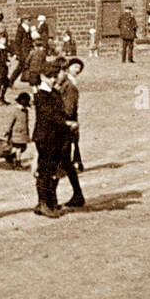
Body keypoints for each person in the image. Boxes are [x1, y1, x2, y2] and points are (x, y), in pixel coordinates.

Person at [31, 60, 68, 217]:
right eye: (49, 76)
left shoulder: (54, 93)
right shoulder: (40, 95)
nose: (53, 79)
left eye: (55, 76)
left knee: (53, 170)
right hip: (45, 137)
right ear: (42, 77)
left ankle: (51, 202)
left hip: (55, 137)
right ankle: (43, 203)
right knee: (45, 171)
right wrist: (66, 122)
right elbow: (49, 116)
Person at [56, 58, 85, 208]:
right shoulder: (63, 84)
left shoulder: (69, 87)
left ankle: (49, 201)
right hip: (64, 127)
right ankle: (77, 194)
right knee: (65, 163)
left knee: (59, 163)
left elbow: (69, 110)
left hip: (64, 129)